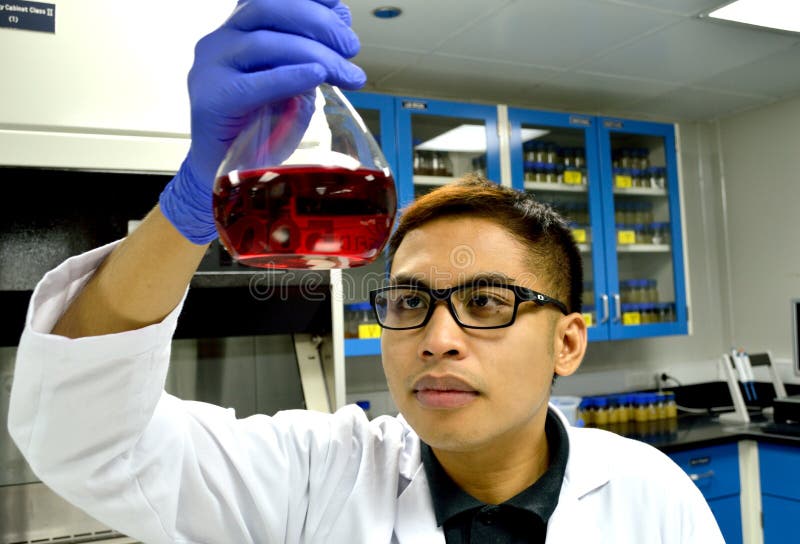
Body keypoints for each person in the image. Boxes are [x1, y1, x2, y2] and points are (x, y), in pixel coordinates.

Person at [8, 1, 723, 542]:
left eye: (486, 302)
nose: (436, 338)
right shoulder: (317, 474)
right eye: (409, 301)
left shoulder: (653, 495)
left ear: (568, 342)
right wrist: (193, 200)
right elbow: (88, 442)